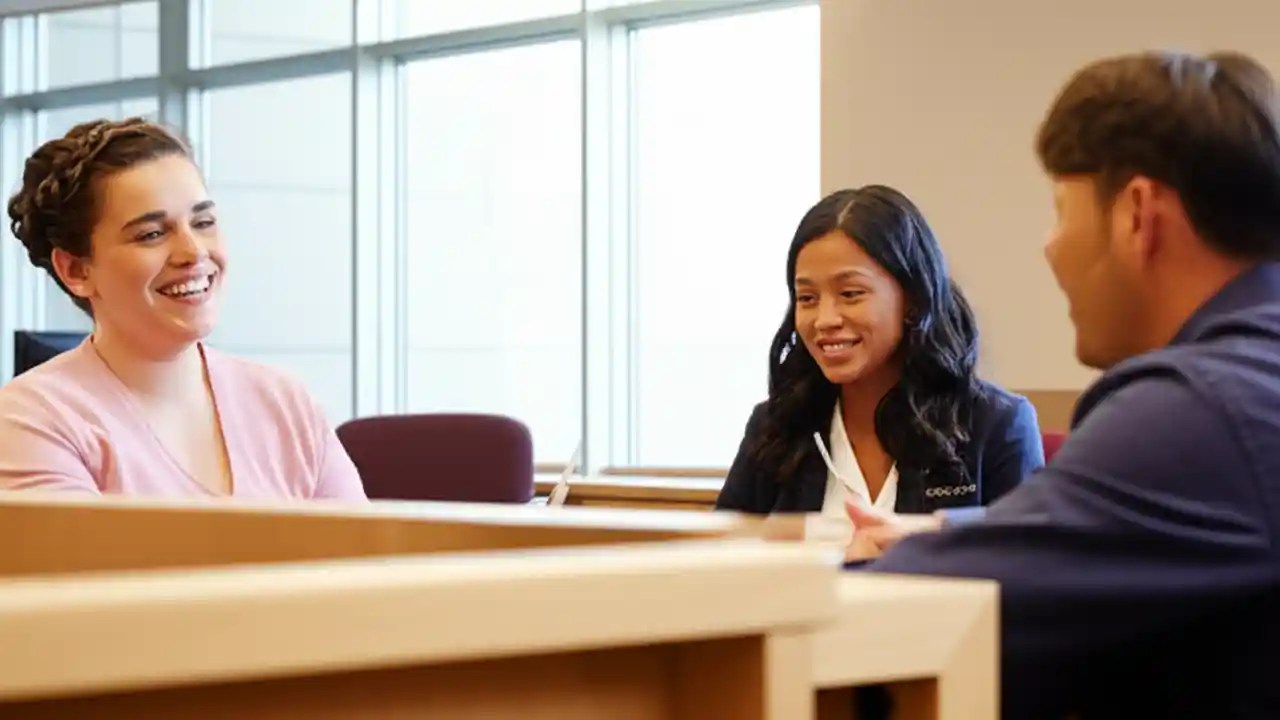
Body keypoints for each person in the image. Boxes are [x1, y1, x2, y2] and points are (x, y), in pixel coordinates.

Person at [854, 51, 1280, 719]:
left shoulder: (1199, 407)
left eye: (1060, 209)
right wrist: (961, 531)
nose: (1049, 246)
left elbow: (923, 618)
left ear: (1137, 214)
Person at [0, 117, 366, 501]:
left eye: (203, 221)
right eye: (152, 234)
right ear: (76, 269)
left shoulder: (285, 402)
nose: (194, 252)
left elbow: (371, 557)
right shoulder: (33, 421)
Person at [716, 185, 1043, 518]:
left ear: (912, 299)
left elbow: (1027, 556)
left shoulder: (997, 424)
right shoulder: (776, 427)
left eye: (851, 293)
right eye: (807, 299)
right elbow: (722, 555)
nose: (825, 320)